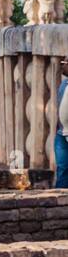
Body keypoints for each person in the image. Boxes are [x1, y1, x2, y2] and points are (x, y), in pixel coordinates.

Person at [56, 60, 68, 190]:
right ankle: (60, 198)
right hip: (61, 133)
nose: (61, 66)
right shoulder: (64, 84)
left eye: (63, 63)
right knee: (62, 168)